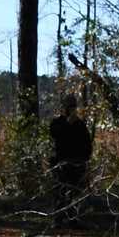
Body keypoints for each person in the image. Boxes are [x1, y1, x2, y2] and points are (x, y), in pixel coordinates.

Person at [48, 94, 93, 224]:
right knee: (60, 193)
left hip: (77, 165)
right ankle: (58, 220)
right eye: (69, 106)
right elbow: (55, 135)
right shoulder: (57, 122)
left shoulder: (80, 124)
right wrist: (68, 124)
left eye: (73, 106)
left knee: (76, 194)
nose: (71, 109)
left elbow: (87, 145)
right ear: (64, 107)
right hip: (61, 164)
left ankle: (74, 220)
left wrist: (84, 161)